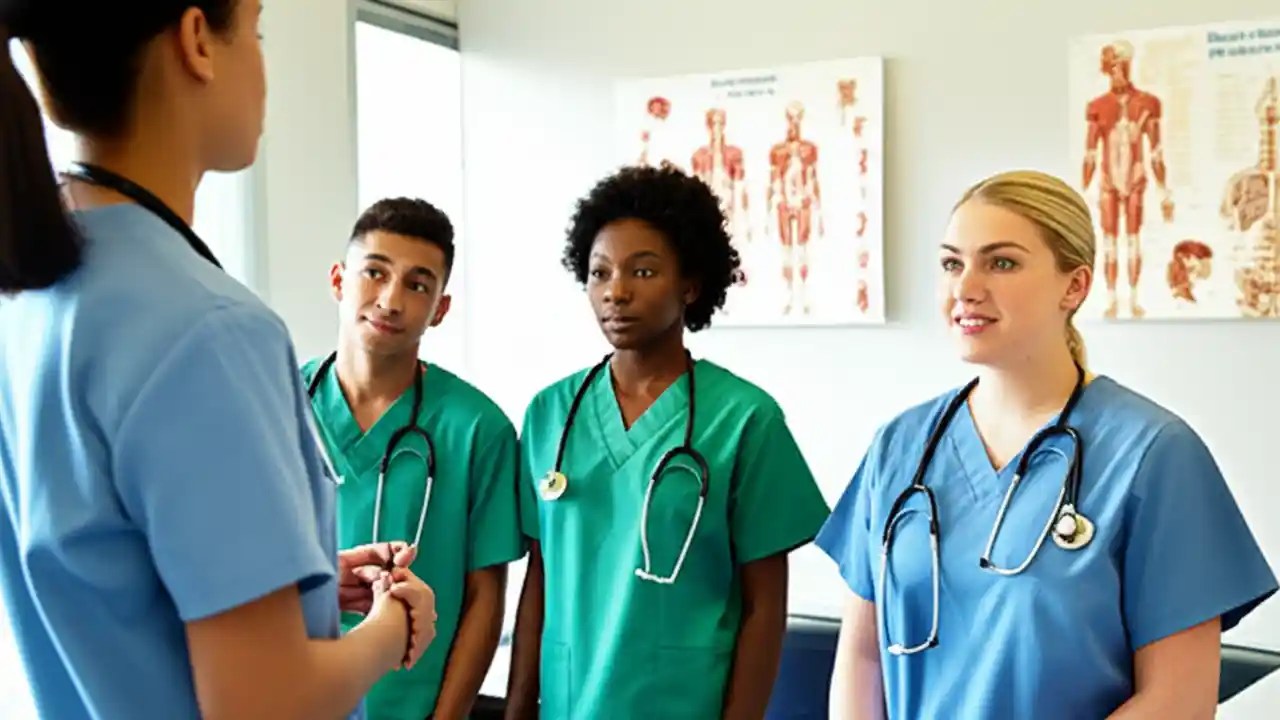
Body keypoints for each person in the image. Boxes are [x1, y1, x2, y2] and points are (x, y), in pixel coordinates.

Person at [0, 2, 436, 718]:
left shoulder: (29, 291)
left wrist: (309, 590)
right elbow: (265, 702)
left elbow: (106, 585)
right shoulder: (206, 331)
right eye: (256, 30)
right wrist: (391, 632)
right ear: (198, 40)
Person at [815, 169, 1278, 719]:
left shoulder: (1153, 455)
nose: (966, 287)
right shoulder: (900, 448)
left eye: (1001, 262)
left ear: (1074, 286)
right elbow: (863, 658)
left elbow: (1179, 701)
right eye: (951, 263)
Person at [505, 164, 831, 719]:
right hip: (567, 703)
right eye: (599, 272)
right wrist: (516, 708)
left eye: (644, 271)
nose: (617, 292)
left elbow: (764, 605)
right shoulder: (551, 414)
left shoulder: (744, 419)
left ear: (691, 284)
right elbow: (540, 576)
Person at [303, 197, 525, 719]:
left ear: (440, 308)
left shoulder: (478, 429)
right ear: (338, 281)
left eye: (417, 284)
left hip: (413, 706)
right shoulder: (273, 403)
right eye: (374, 273)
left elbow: (484, 599)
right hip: (290, 696)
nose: (390, 299)